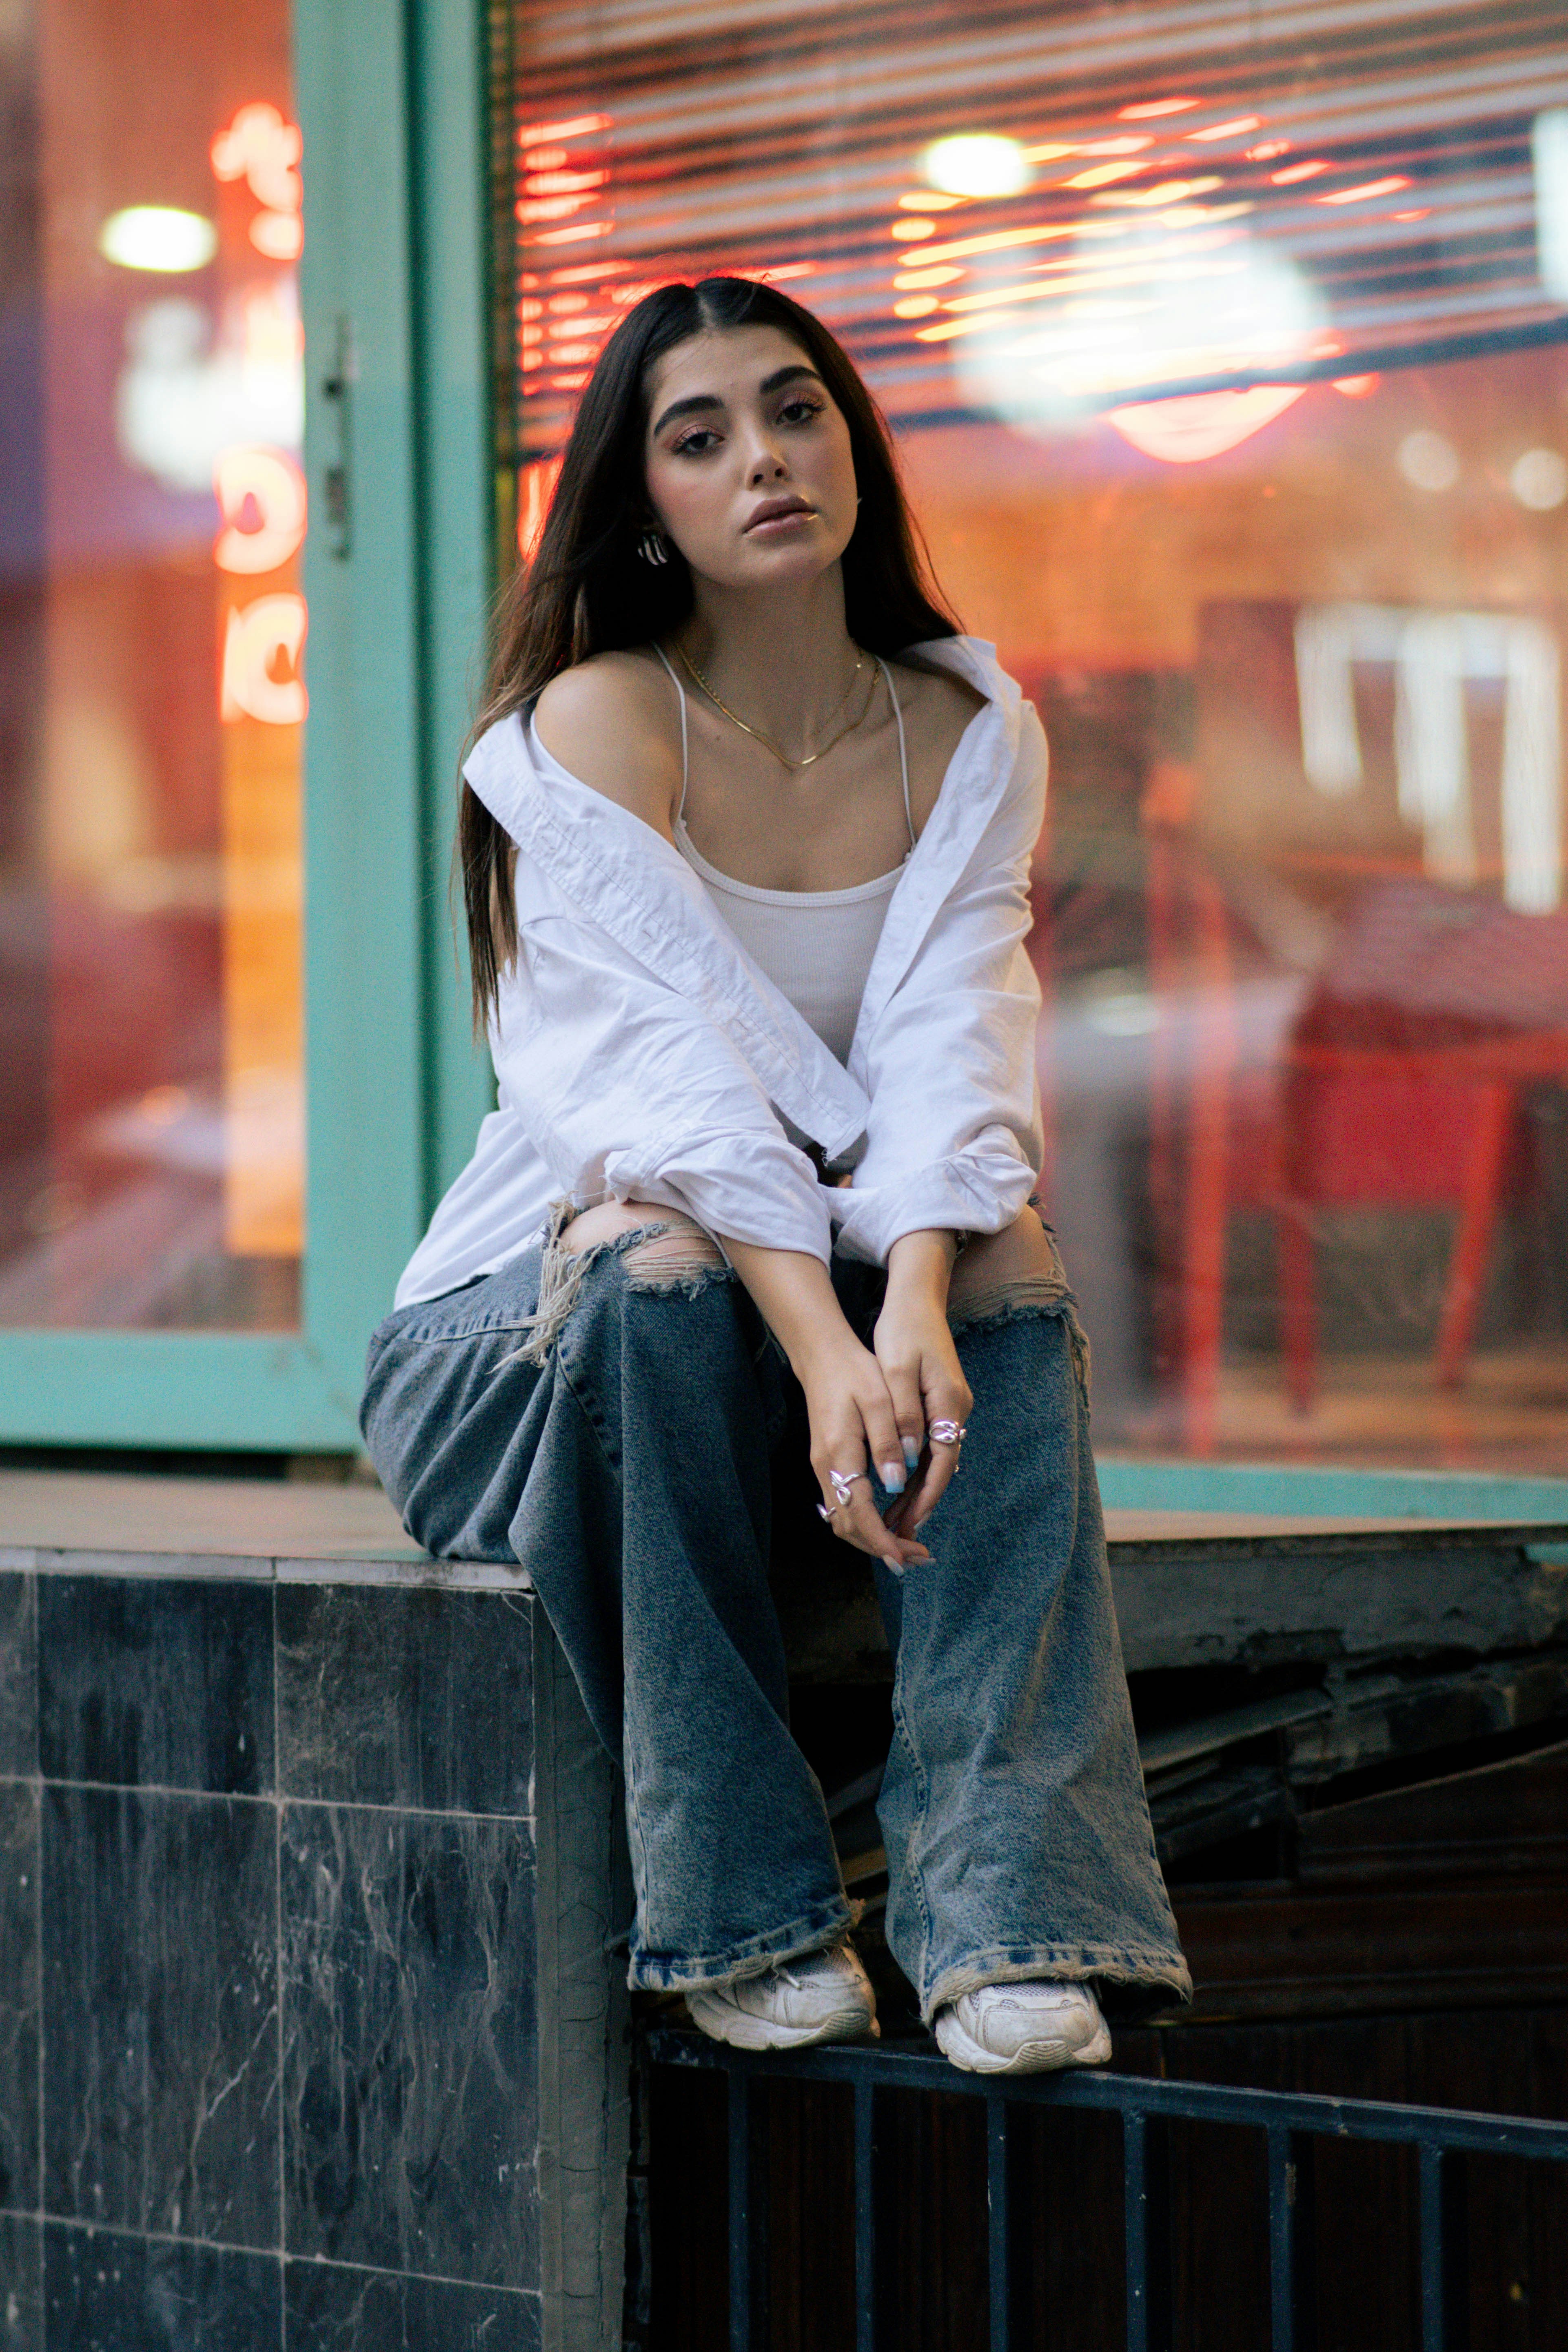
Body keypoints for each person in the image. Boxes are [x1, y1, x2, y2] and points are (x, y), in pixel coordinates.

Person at [360, 276, 1189, 2075]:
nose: (762, 458)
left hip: (802, 1324)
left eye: (794, 408)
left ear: (852, 443)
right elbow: (658, 1094)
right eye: (698, 433)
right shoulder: (595, 722)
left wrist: (911, 1300)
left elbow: (961, 1048)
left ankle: (1005, 1926)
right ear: (640, 498)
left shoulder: (963, 732)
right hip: (520, 1358)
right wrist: (832, 1352)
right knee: (658, 1250)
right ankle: (741, 1911)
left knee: (1009, 1262)